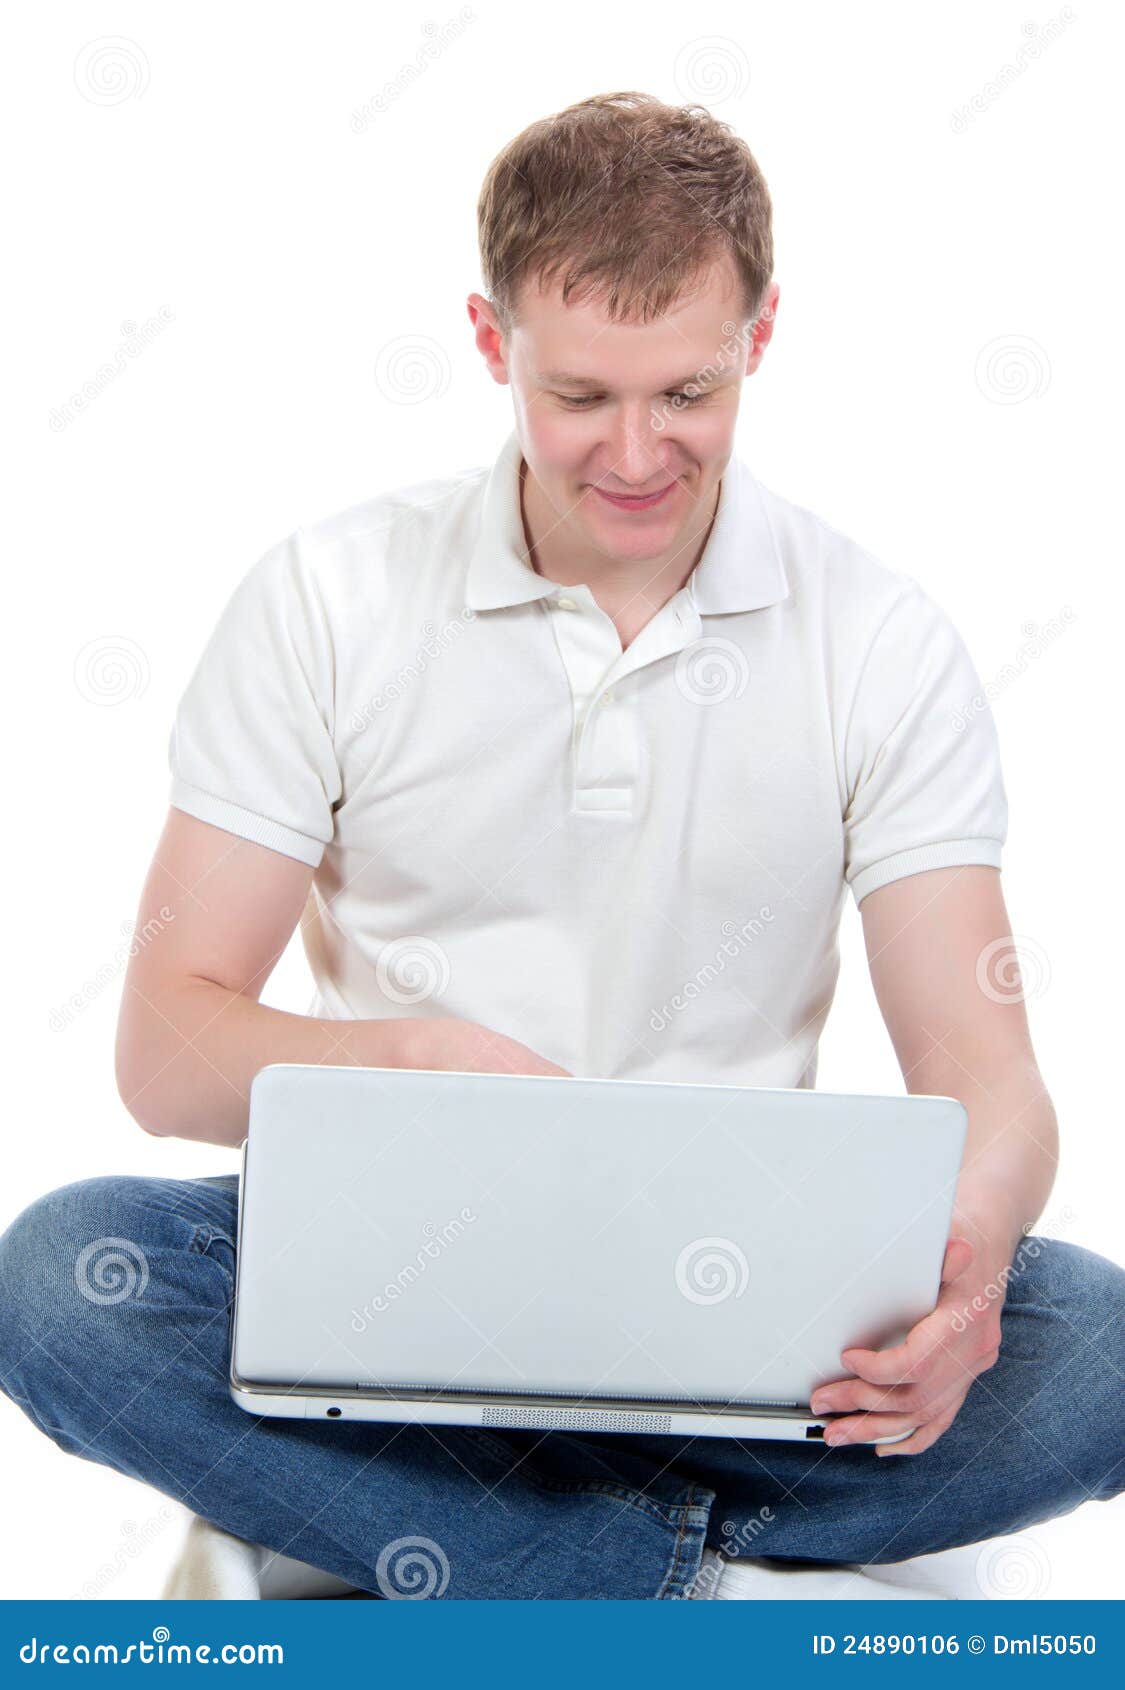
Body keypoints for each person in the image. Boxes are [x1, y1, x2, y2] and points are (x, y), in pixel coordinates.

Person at [2, 91, 1122, 1602]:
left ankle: (498, 1543)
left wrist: (972, 1269)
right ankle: (671, 1566)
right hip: (390, 1281)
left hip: (754, 1308)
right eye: (581, 394)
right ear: (490, 342)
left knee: (1096, 1349)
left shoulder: (877, 637)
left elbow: (983, 1071)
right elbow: (164, 1045)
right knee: (61, 1276)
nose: (639, 454)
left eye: (690, 391)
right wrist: (419, 1068)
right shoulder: (329, 599)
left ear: (760, 334)